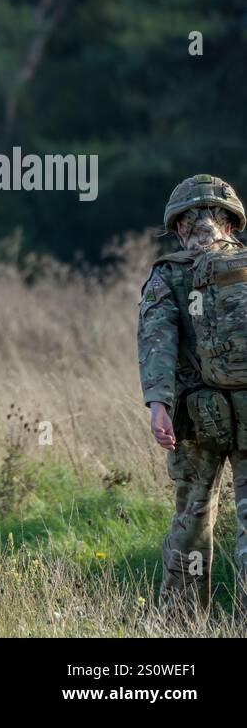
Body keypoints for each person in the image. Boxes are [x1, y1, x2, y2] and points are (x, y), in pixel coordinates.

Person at [138, 174, 247, 612]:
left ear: (179, 226)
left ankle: (182, 621)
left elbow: (156, 342)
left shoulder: (169, 275)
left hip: (196, 418)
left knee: (192, 519)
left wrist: (158, 406)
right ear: (232, 223)